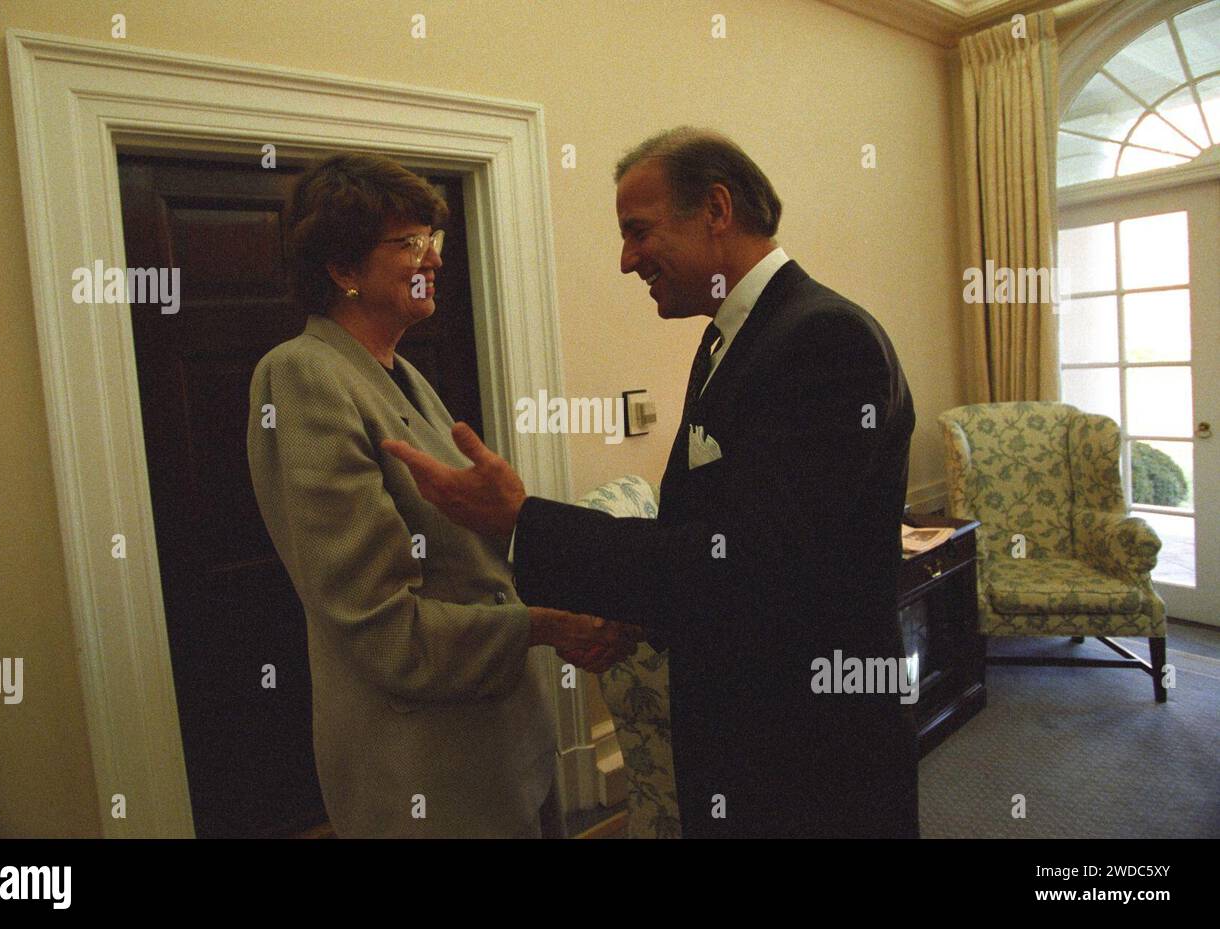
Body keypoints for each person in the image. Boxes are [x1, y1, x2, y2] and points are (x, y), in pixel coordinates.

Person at [383, 128, 920, 838]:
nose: (626, 258)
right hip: (750, 733)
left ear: (717, 210)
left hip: (808, 746)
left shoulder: (824, 339)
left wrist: (522, 519)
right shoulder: (731, 333)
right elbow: (710, 538)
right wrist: (634, 615)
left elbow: (760, 565)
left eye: (638, 231)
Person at [246, 153, 636, 838]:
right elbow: (386, 630)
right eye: (409, 242)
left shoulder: (399, 373)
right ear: (341, 270)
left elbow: (469, 561)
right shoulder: (302, 374)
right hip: (428, 771)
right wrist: (545, 626)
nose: (435, 258)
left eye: (435, 239)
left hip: (502, 741)